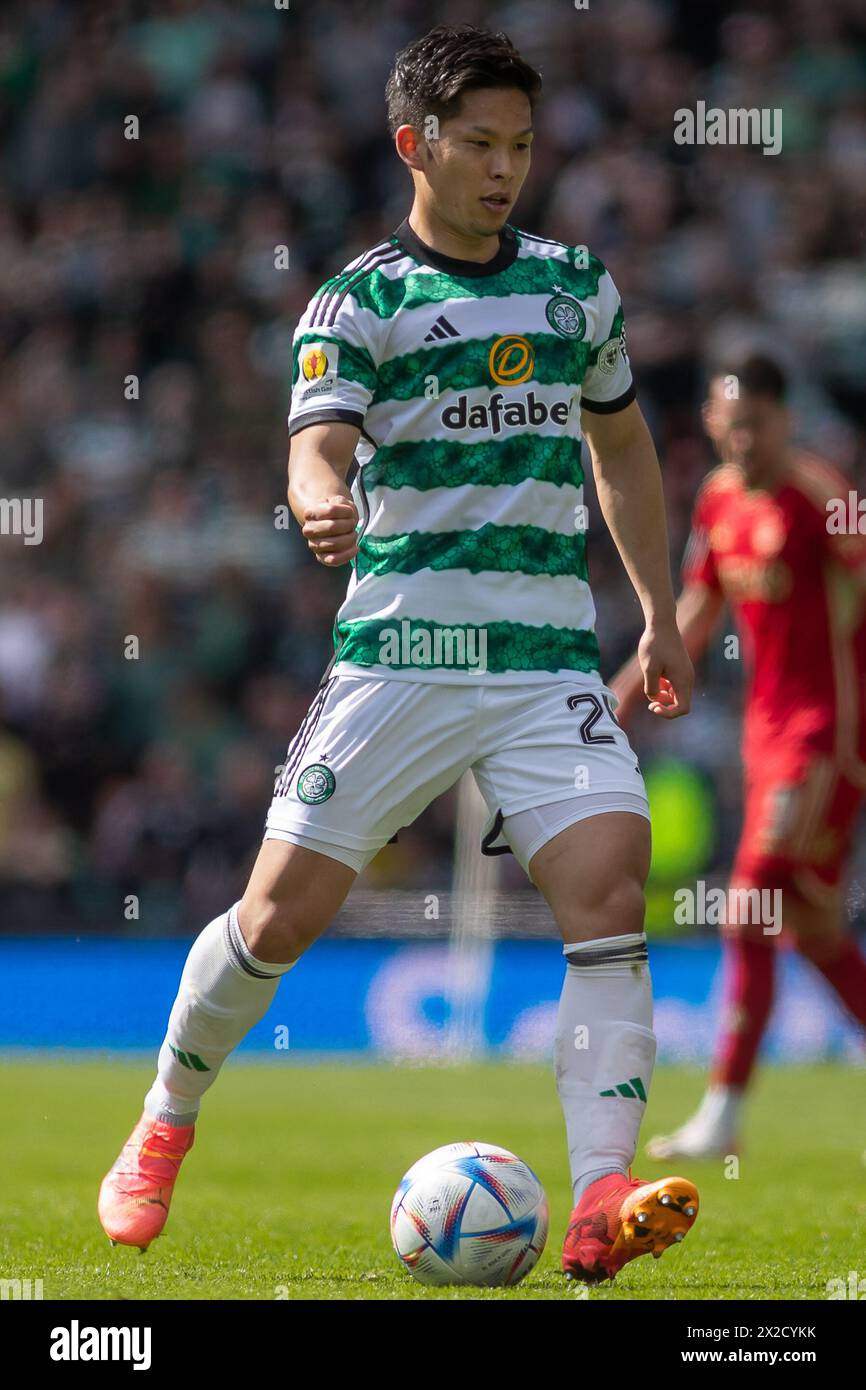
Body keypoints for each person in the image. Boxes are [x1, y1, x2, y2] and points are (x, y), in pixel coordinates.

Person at [99, 23, 699, 1284]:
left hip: (543, 659)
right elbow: (313, 439)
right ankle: (164, 1117)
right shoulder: (359, 301)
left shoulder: (574, 286)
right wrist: (317, 492)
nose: (503, 168)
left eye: (520, 145)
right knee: (275, 918)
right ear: (412, 144)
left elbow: (624, 448)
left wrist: (652, 609)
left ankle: (598, 1198)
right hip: (401, 651)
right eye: (477, 142)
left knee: (608, 891)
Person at [611, 353, 866, 1160]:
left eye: (758, 423)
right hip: (766, 738)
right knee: (814, 929)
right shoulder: (721, 499)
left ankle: (724, 1114)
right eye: (732, 425)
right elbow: (692, 610)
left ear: (785, 418)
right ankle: (724, 1112)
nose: (745, 439)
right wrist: (615, 699)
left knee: (748, 902)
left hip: (829, 737)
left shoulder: (825, 500)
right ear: (716, 424)